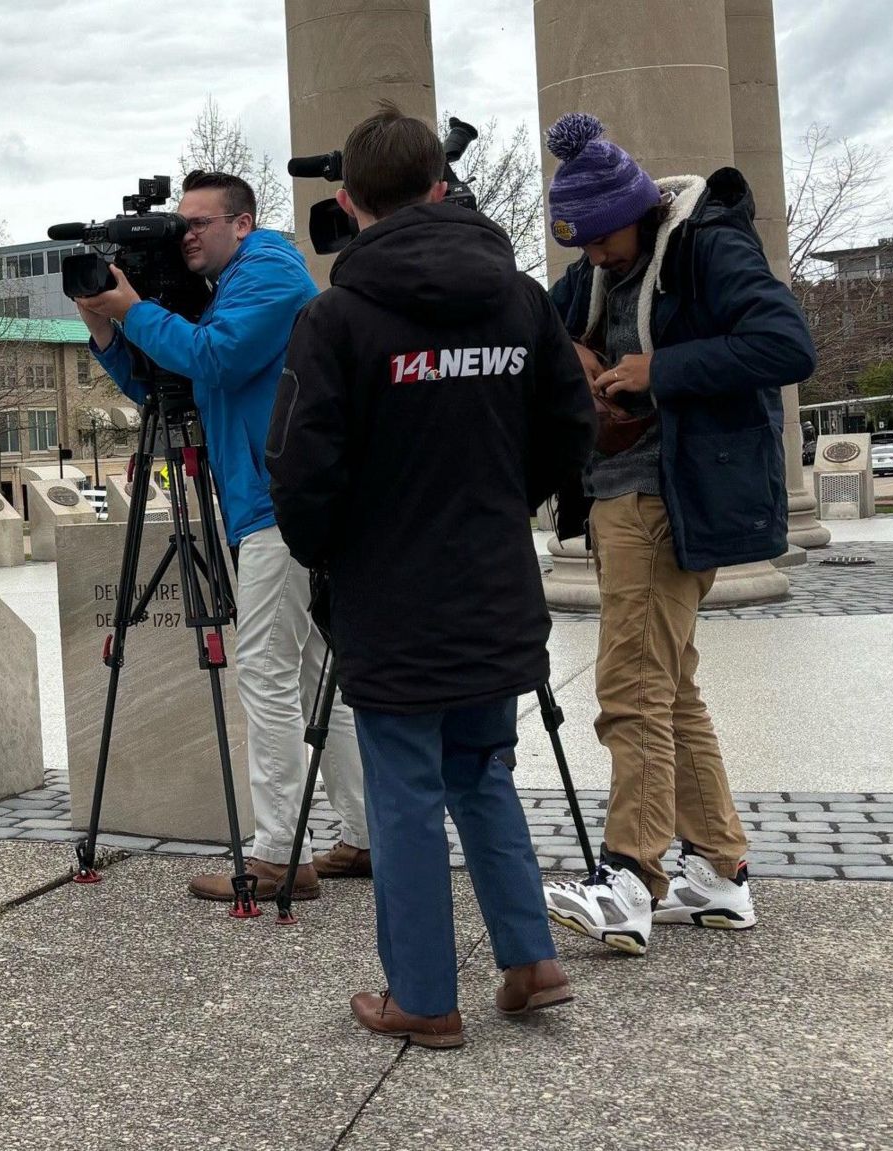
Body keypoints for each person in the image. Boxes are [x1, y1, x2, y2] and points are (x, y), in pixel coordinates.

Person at [268, 103, 596, 1048]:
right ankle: (530, 959)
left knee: (406, 787)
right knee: (483, 769)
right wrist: (501, 500)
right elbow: (568, 430)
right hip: (494, 578)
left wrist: (327, 549)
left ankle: (423, 994)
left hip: (392, 589)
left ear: (347, 200)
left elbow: (301, 468)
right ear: (442, 186)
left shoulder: (337, 317)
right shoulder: (522, 298)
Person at [535, 114, 816, 955]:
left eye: (601, 239)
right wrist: (578, 357)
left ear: (636, 209)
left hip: (670, 494)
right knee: (670, 687)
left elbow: (786, 343)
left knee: (630, 687)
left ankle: (631, 878)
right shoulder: (596, 265)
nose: (592, 256)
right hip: (623, 494)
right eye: (579, 244)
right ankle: (720, 872)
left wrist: (663, 367)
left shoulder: (708, 245)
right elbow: (536, 318)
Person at [75, 170, 373, 903]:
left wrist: (138, 308)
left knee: (267, 673)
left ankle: (279, 854)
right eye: (182, 226)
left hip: (282, 506)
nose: (186, 237)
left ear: (243, 223)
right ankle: (366, 834)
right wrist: (107, 326)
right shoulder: (224, 293)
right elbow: (170, 386)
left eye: (199, 224)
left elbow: (214, 356)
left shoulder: (270, 272)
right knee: (306, 678)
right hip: (266, 506)